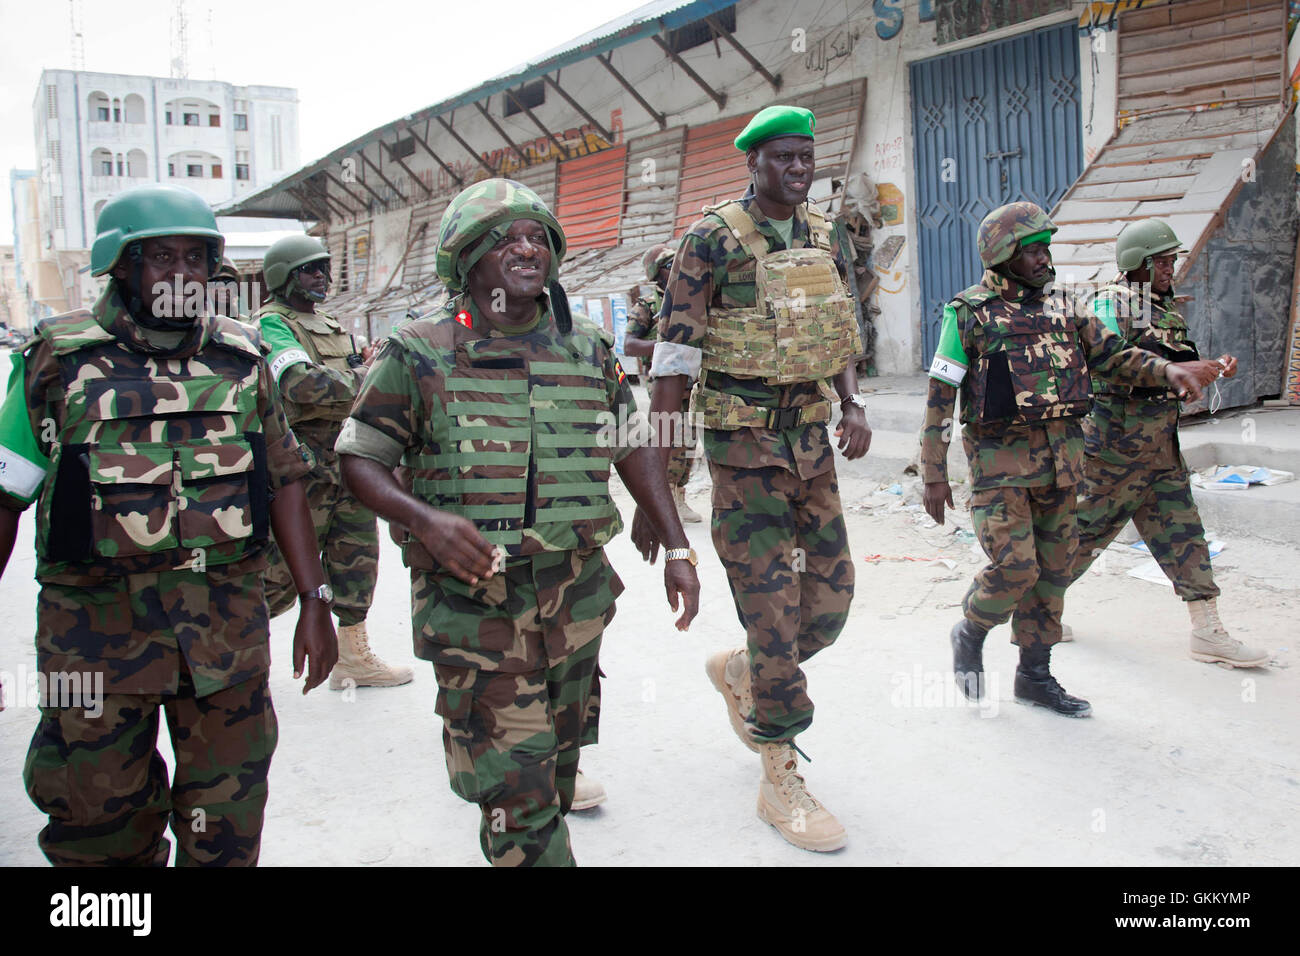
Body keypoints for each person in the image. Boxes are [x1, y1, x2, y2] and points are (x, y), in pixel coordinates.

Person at [337, 178, 699, 866]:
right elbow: (360, 458)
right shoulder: (417, 351)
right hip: (474, 611)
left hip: (575, 604)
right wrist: (425, 521)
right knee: (520, 802)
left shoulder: (587, 346)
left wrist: (678, 547)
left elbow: (631, 446)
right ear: (466, 259)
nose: (527, 249)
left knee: (556, 772)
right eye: (505, 239)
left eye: (538, 238)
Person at [0, 184, 335, 865]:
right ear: (122, 266)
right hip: (92, 650)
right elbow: (5, 498)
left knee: (228, 829)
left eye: (195, 258)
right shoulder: (56, 361)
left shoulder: (242, 359)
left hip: (225, 644)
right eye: (161, 258)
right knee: (98, 831)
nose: (182, 274)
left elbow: (284, 481)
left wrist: (314, 599)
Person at [636, 105, 870, 852]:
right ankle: (780, 775)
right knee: (774, 616)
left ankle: (742, 671)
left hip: (812, 448)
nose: (798, 169)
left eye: (806, 157)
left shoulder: (826, 236)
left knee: (828, 605)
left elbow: (837, 331)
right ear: (753, 163)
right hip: (743, 457)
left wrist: (853, 402)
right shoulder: (709, 241)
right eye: (783, 158)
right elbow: (673, 367)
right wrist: (660, 484)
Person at [920, 201, 1205, 718]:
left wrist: (1167, 371)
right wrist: (934, 473)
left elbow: (1114, 357)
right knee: (1016, 567)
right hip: (1000, 470)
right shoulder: (967, 314)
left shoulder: (1067, 307)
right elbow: (941, 396)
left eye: (1046, 249)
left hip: (1063, 465)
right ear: (1002, 254)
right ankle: (972, 627)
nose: (1044, 259)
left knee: (1052, 574)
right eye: (1032, 250)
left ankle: (1035, 675)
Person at [1068, 219, 1267, 666]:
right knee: (1083, 535)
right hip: (1114, 453)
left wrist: (1207, 368)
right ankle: (1036, 609)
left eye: (1172, 260)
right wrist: (1174, 372)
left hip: (1160, 450)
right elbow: (1103, 362)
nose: (1169, 268)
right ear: (1135, 262)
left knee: (1185, 535)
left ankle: (1208, 631)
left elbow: (1170, 363)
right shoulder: (1111, 302)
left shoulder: (1162, 307)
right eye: (1160, 261)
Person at [254, 235, 412, 689]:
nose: (321, 276)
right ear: (283, 276)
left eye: (324, 267)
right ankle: (234, 654)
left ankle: (353, 657)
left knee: (356, 559)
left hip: (345, 460)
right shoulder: (272, 325)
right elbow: (302, 385)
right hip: (301, 470)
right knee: (280, 574)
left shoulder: (327, 323)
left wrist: (366, 364)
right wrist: (368, 375)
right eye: (309, 269)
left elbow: (344, 378)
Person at [623, 241, 702, 524]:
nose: (677, 269)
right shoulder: (648, 305)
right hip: (665, 387)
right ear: (657, 274)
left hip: (693, 387)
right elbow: (629, 344)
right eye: (670, 265)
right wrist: (665, 349)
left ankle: (679, 496)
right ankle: (664, 500)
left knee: (689, 442)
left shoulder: (694, 298)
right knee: (669, 442)